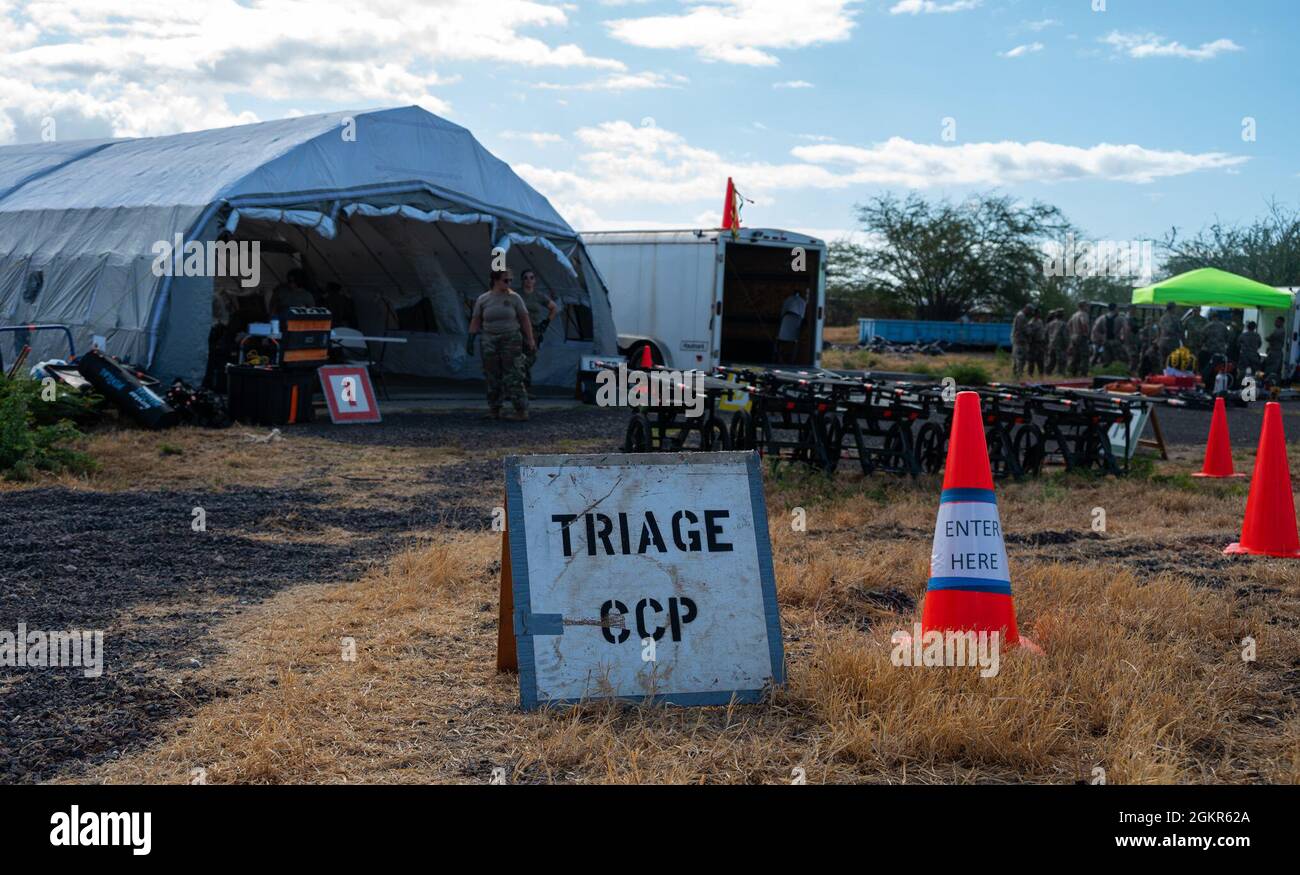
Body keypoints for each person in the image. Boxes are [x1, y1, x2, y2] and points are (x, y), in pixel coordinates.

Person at [468, 270, 535, 421]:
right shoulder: (484, 299)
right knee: (492, 375)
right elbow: (476, 319)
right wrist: (470, 339)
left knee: (514, 375)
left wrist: (530, 339)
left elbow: (525, 319)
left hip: (510, 338)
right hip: (489, 339)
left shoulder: (514, 298)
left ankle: (521, 410)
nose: (509, 284)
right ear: (496, 281)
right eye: (506, 281)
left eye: (511, 281)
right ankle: (495, 409)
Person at [517, 269, 559, 396]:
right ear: (522, 280)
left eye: (531, 277)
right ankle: (516, 390)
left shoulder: (538, 295)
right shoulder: (516, 295)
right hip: (517, 331)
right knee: (516, 360)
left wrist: (545, 323)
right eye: (526, 278)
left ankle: (524, 389)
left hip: (533, 331)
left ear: (535, 280)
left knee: (529, 359)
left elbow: (554, 308)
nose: (529, 280)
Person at [775, 289, 808, 363]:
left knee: (785, 343)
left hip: (790, 323)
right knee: (782, 343)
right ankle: (783, 359)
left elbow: (783, 312)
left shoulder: (790, 300)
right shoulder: (800, 301)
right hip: (790, 324)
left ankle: (788, 360)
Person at [1200, 311, 1229, 390]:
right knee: (1219, 370)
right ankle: (1217, 387)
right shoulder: (1224, 326)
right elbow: (1228, 338)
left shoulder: (1207, 326)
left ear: (1211, 317)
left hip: (1210, 351)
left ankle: (1208, 385)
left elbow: (1202, 338)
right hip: (1221, 352)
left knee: (1209, 370)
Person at [1066, 300, 1091, 376]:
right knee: (1085, 355)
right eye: (1087, 305)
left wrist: (1072, 333)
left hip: (1074, 336)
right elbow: (1083, 323)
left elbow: (1068, 325)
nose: (1088, 307)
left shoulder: (1074, 315)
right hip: (1081, 336)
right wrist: (1086, 332)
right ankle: (1084, 373)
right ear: (1083, 306)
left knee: (1075, 355)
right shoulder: (1083, 314)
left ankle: (1073, 372)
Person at [1156, 302, 1183, 368]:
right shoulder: (1176, 318)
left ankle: (1162, 376)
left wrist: (1158, 341)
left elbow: (1159, 331)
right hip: (1172, 342)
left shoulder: (1162, 318)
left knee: (1163, 361)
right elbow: (1180, 331)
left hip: (1162, 342)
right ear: (1172, 308)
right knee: (1173, 362)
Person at [1011, 303, 1033, 379]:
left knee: (1017, 357)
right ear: (1026, 309)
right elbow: (1023, 329)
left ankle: (1016, 374)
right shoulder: (1021, 316)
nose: (1030, 313)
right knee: (1020, 358)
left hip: (1019, 339)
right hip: (1020, 340)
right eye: (1030, 311)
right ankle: (1018, 375)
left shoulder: (1021, 315)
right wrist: (1030, 331)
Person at [1266, 316, 1288, 384]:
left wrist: (1267, 338)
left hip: (1275, 352)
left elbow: (1270, 337)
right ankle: (1275, 384)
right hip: (1275, 352)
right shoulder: (1277, 330)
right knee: (1275, 370)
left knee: (1272, 370)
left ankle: (1271, 384)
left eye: (1277, 321)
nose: (1275, 323)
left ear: (1282, 323)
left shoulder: (1280, 331)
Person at [1044, 309, 1065, 375]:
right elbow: (1065, 336)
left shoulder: (1050, 324)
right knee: (1060, 361)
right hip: (1060, 345)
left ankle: (1047, 372)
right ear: (1062, 315)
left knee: (1051, 360)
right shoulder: (1063, 324)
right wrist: (1067, 345)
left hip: (1051, 344)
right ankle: (1059, 373)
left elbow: (1046, 334)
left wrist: (1047, 343)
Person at [1027, 309, 1046, 377]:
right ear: (1035, 314)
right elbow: (1029, 334)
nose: (1040, 315)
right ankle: (1030, 374)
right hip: (1033, 344)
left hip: (1040, 343)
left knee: (1040, 360)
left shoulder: (1040, 321)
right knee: (1032, 360)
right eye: (1039, 313)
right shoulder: (1031, 323)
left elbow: (1042, 332)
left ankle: (1041, 374)